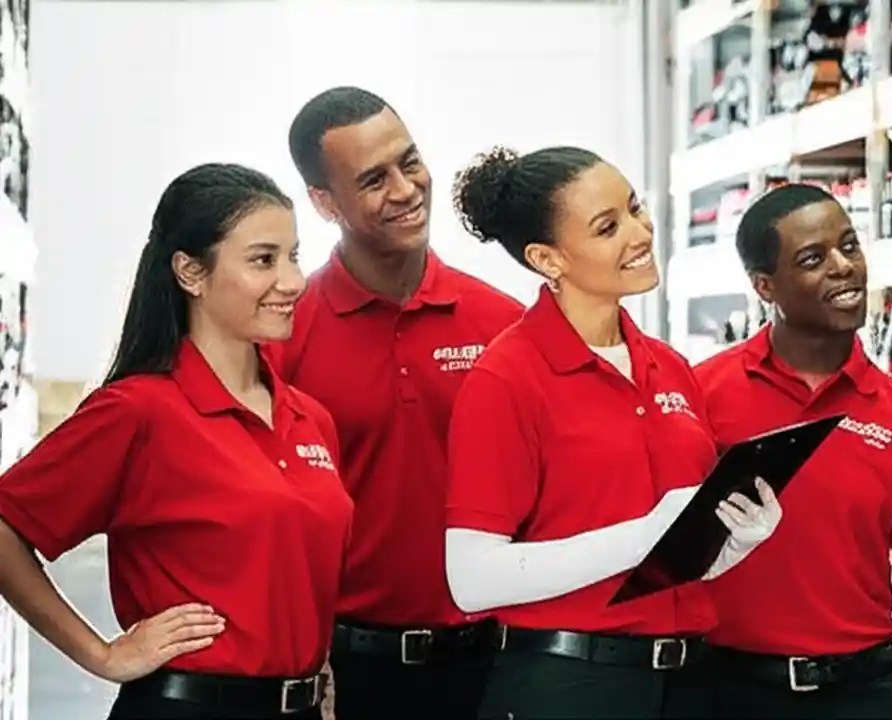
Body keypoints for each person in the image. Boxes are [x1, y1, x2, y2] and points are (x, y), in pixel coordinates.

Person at [0, 163, 352, 719]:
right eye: (263, 260)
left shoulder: (311, 419)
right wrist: (102, 654)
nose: (292, 281)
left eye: (293, 256)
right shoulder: (138, 412)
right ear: (191, 272)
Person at [443, 144, 783, 719]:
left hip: (687, 682)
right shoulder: (507, 377)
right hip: (569, 686)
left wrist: (732, 542)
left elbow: (670, 558)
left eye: (634, 208)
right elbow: (472, 579)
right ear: (547, 259)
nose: (640, 232)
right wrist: (644, 534)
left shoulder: (669, 367)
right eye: (607, 227)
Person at [271, 87, 522, 718]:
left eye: (410, 162)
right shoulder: (283, 335)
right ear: (324, 202)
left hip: (495, 666)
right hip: (350, 674)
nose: (406, 190)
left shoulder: (503, 323)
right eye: (373, 179)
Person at [692, 183, 892, 720]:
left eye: (849, 246)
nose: (844, 267)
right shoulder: (702, 396)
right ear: (764, 286)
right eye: (813, 259)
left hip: (862, 695)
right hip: (724, 691)